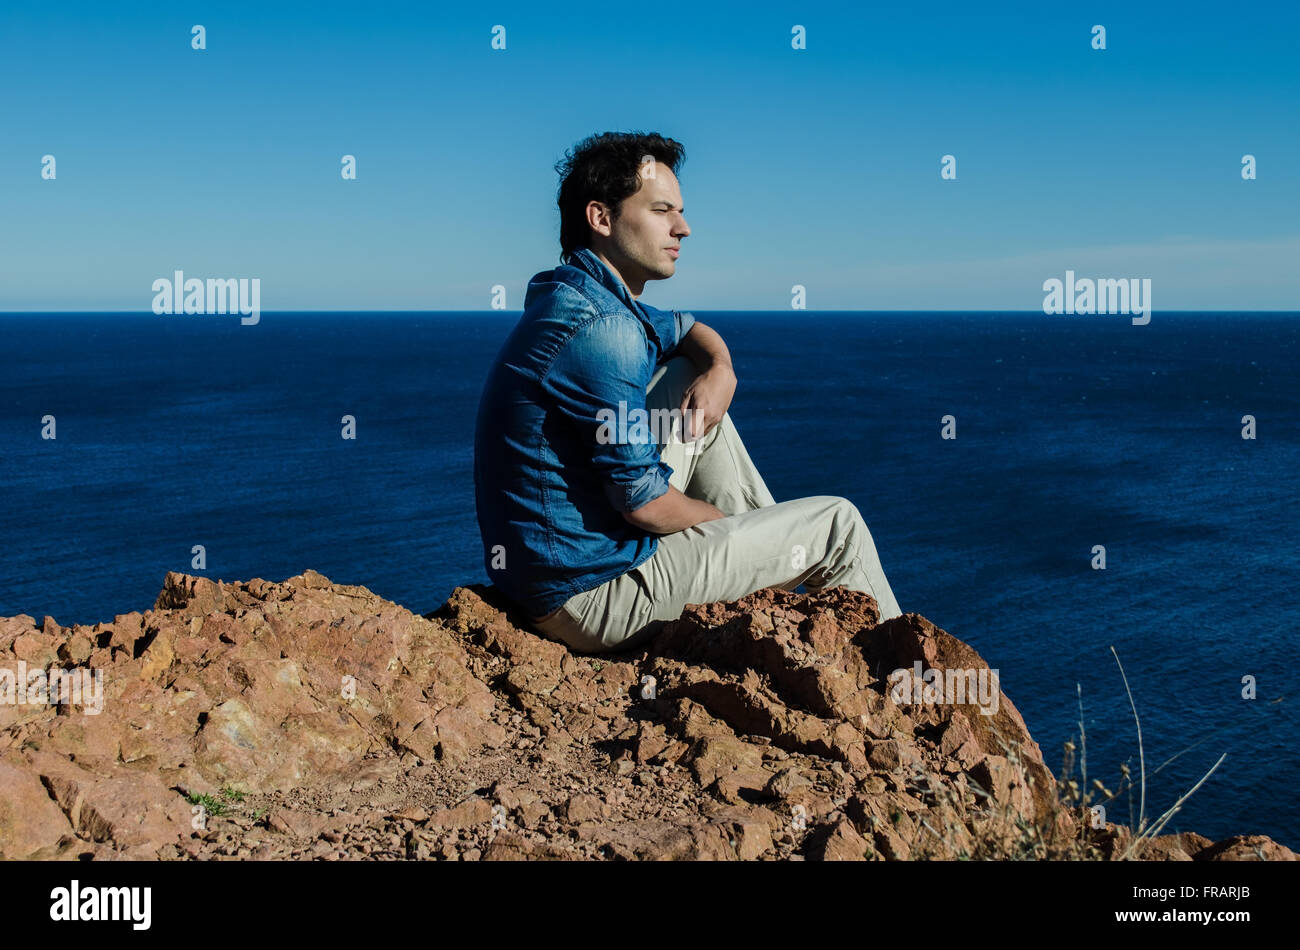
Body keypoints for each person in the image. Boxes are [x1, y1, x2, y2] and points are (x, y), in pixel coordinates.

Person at [472, 131, 902, 653]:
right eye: (661, 211)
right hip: (592, 599)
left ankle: (767, 565)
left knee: (683, 378)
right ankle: (907, 693)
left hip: (552, 577)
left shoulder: (576, 292)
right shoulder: (603, 330)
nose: (684, 228)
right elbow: (642, 503)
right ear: (601, 218)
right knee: (839, 524)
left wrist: (720, 365)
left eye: (680, 211)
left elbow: (682, 328)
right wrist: (718, 526)